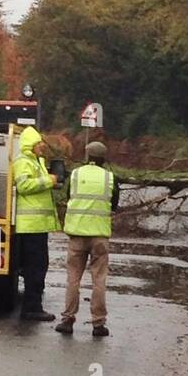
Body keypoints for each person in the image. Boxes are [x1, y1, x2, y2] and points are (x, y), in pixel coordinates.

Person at [55, 140, 120, 338]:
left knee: (73, 278)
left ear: (87, 156)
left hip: (77, 235)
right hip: (99, 236)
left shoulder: (75, 174)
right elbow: (114, 205)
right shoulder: (110, 178)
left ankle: (67, 320)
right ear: (103, 158)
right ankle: (98, 324)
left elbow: (67, 196)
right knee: (99, 279)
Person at [12, 125, 60, 321]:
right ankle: (32, 308)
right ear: (30, 145)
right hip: (31, 226)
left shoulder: (35, 161)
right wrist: (49, 180)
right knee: (35, 269)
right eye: (38, 142)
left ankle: (33, 306)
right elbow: (23, 186)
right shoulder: (24, 162)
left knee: (38, 267)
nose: (42, 145)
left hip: (36, 225)